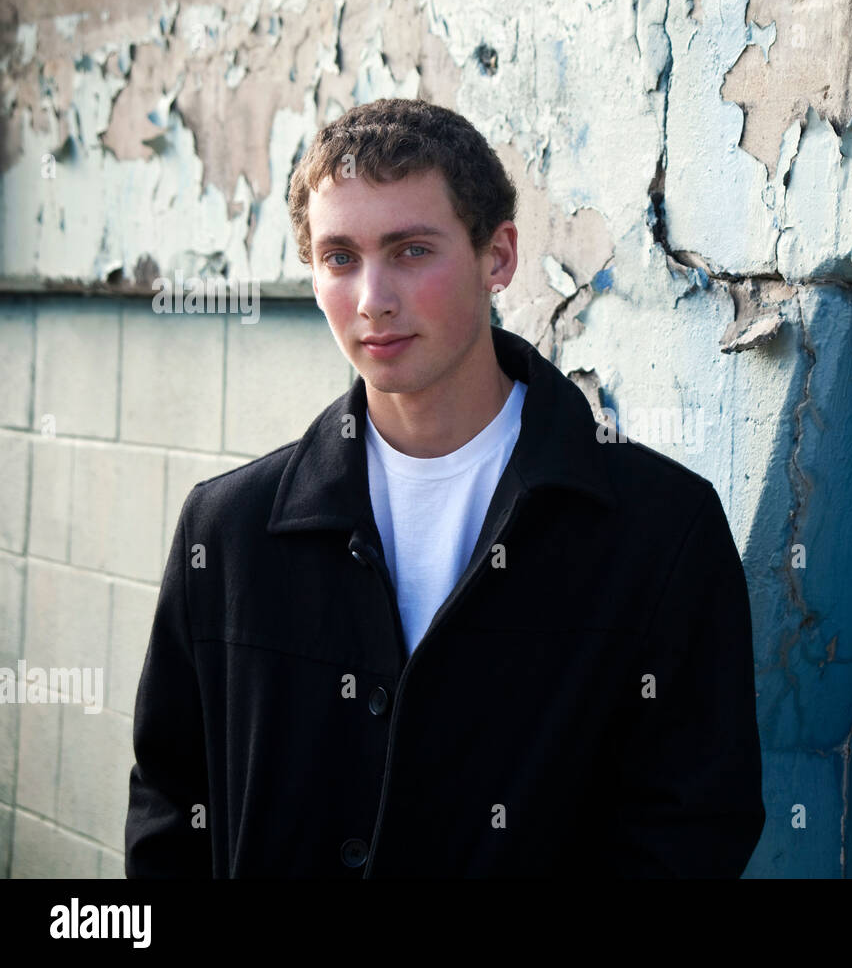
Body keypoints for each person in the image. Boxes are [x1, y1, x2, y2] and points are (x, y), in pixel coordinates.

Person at [124, 98, 766, 877]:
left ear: (498, 256)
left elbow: (693, 829)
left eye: (411, 250)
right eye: (339, 257)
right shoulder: (224, 531)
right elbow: (169, 812)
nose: (372, 298)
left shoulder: (662, 528)